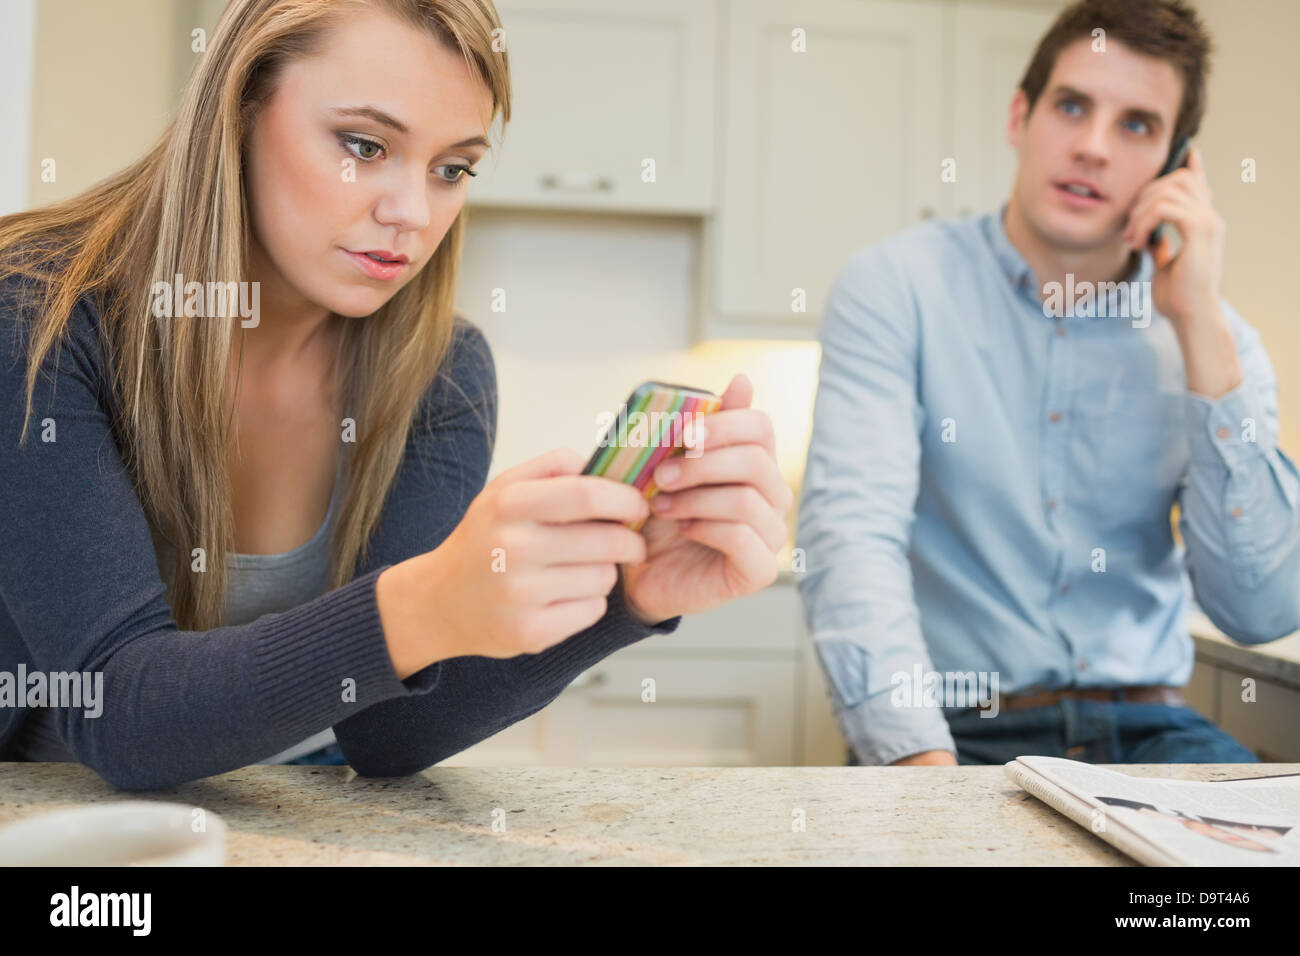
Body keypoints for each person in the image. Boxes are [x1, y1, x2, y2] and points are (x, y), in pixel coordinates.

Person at [0, 0, 792, 790]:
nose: (412, 213)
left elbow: (385, 730)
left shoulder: (442, 373)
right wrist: (426, 599)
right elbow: (123, 713)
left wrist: (627, 593)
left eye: (452, 168)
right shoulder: (35, 317)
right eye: (364, 145)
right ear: (238, 111)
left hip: (306, 820)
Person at [797, 0, 1300, 767]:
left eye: (1136, 125)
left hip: (1157, 737)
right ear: (1020, 116)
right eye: (1072, 106)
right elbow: (851, 540)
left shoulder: (1217, 342)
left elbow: (1262, 610)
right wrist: (924, 776)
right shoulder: (896, 287)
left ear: (1177, 164)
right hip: (956, 731)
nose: (1093, 148)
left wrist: (1198, 322)